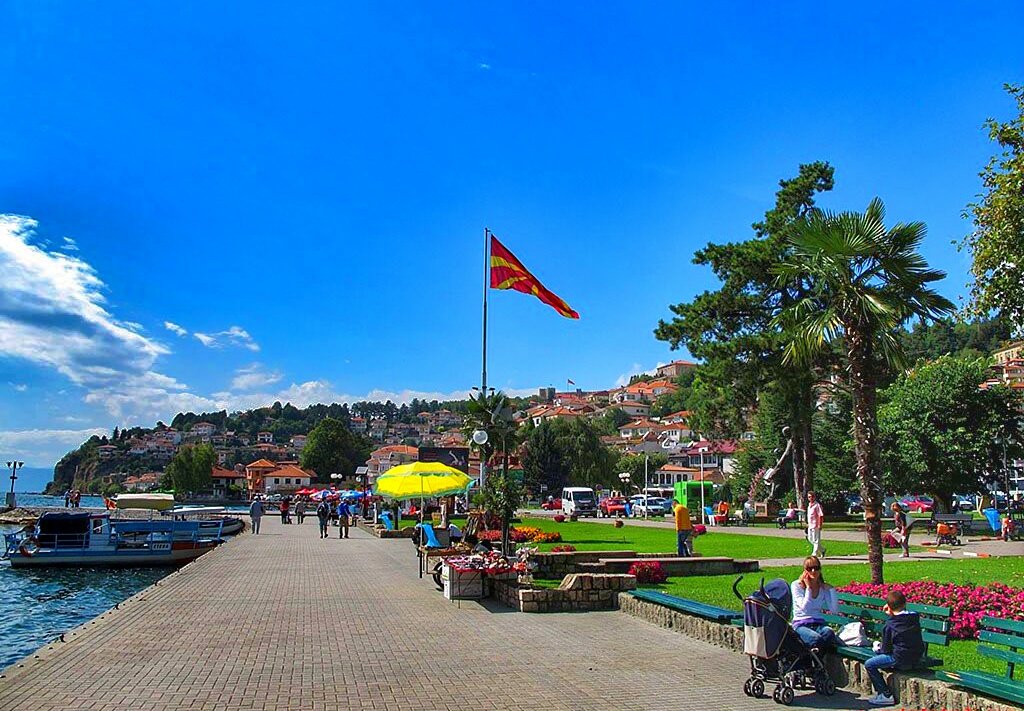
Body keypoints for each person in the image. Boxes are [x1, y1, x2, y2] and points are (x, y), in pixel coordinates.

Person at [863, 589, 924, 706]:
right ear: (905, 603)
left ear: (889, 607)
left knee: (869, 664)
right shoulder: (914, 618)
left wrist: (877, 648)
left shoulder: (890, 625)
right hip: (916, 655)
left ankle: (885, 694)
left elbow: (886, 650)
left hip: (899, 657)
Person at [791, 555, 838, 650]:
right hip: (801, 625)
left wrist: (832, 590)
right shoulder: (797, 585)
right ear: (804, 570)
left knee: (829, 633)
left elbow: (834, 610)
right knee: (815, 639)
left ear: (820, 570)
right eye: (809, 568)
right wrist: (808, 588)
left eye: (816, 568)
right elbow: (805, 608)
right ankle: (817, 661)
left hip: (818, 624)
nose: (813, 571)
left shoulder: (822, 587)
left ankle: (816, 659)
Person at [806, 491, 825, 557]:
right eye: (809, 497)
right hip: (810, 525)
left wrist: (820, 524)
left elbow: (821, 515)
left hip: (816, 525)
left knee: (816, 540)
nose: (810, 498)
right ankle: (822, 550)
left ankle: (814, 553)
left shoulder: (817, 505)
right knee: (810, 539)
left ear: (814, 497)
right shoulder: (809, 505)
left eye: (811, 497)